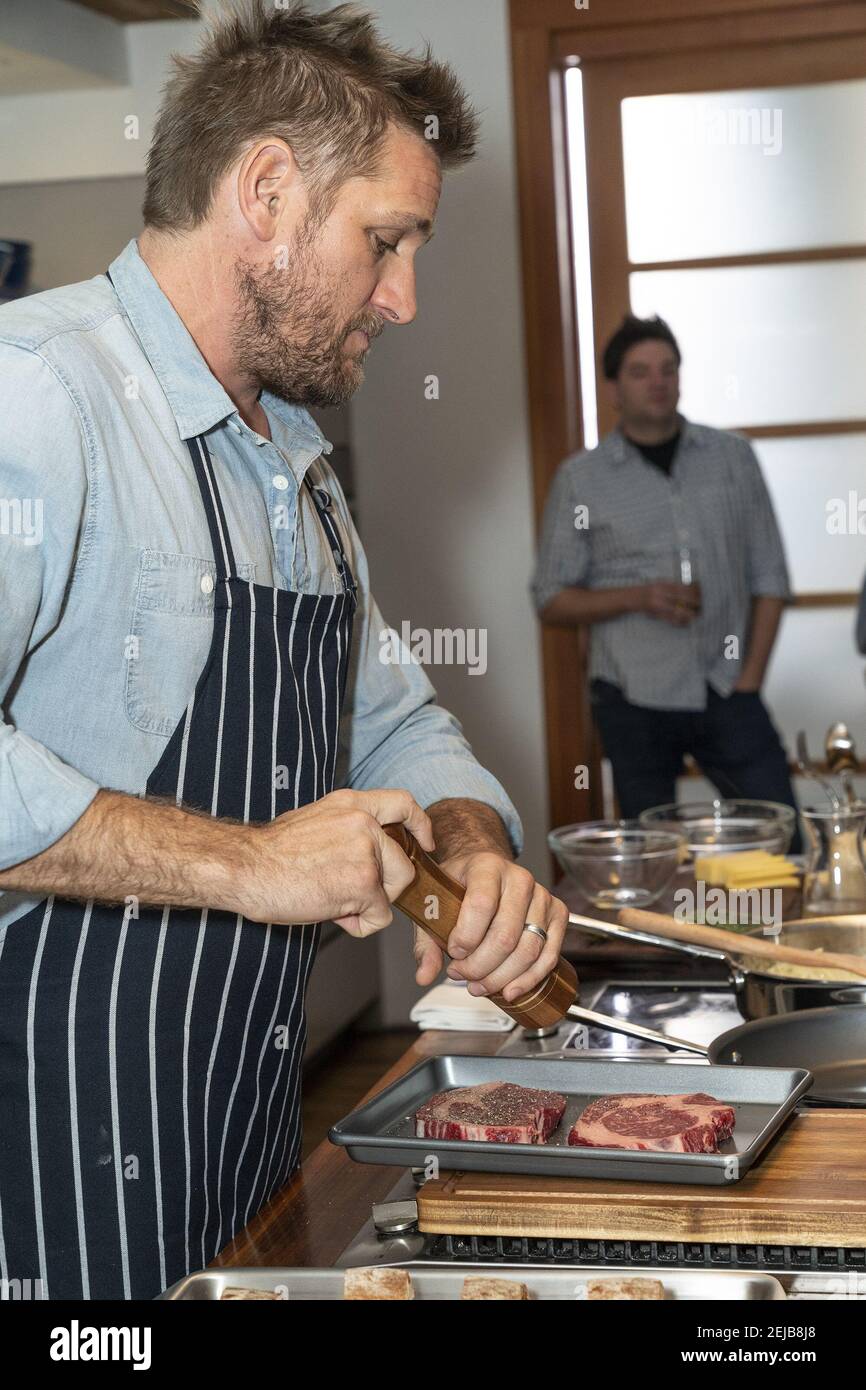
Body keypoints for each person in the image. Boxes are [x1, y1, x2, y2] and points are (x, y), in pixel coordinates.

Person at [0, 1, 568, 1299]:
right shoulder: (38, 395)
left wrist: (474, 848)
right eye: (387, 240)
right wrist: (248, 863)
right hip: (46, 1144)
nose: (405, 299)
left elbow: (399, 724)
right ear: (265, 191)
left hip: (242, 1123)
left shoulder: (300, 470)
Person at [532, 313, 799, 831]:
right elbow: (551, 597)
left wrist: (749, 679)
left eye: (668, 369)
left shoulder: (732, 457)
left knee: (780, 833)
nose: (657, 382)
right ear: (613, 388)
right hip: (633, 695)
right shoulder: (581, 479)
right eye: (639, 372)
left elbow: (771, 578)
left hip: (726, 684)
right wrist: (638, 597)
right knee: (654, 853)